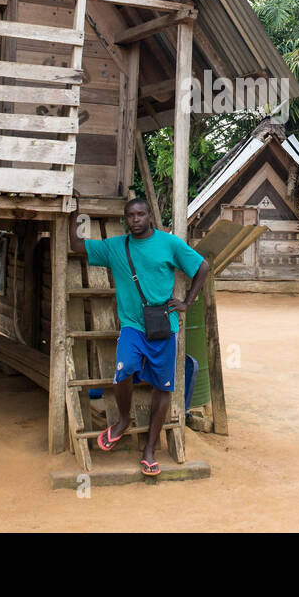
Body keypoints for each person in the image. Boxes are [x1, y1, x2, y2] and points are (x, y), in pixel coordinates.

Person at [68, 196, 210, 477]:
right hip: (132, 326)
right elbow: (76, 246)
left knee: (163, 387)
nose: (135, 219)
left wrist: (187, 303)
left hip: (164, 326)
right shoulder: (116, 246)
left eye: (140, 214)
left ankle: (149, 449)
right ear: (125, 219)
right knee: (124, 370)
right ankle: (122, 420)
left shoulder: (168, 243)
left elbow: (202, 266)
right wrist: (74, 212)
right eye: (130, 215)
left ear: (149, 217)